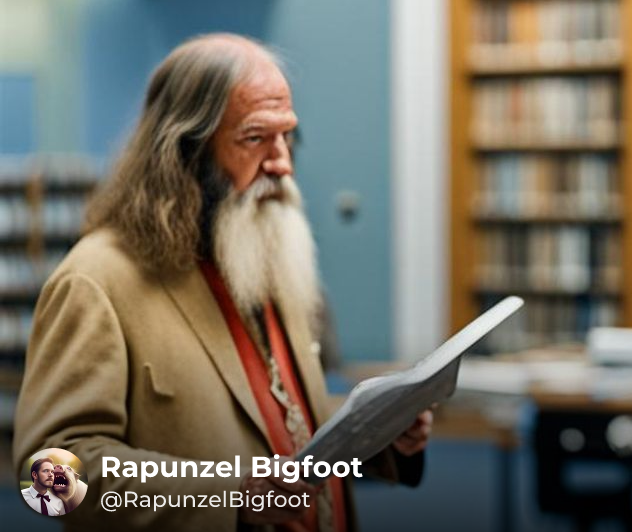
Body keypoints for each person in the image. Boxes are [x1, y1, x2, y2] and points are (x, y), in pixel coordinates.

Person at [15, 33, 432, 531]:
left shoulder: (265, 254)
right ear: (183, 151)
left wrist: (377, 438)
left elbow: (285, 430)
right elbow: (47, 479)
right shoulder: (97, 280)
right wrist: (229, 495)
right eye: (255, 138)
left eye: (288, 137)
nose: (281, 163)